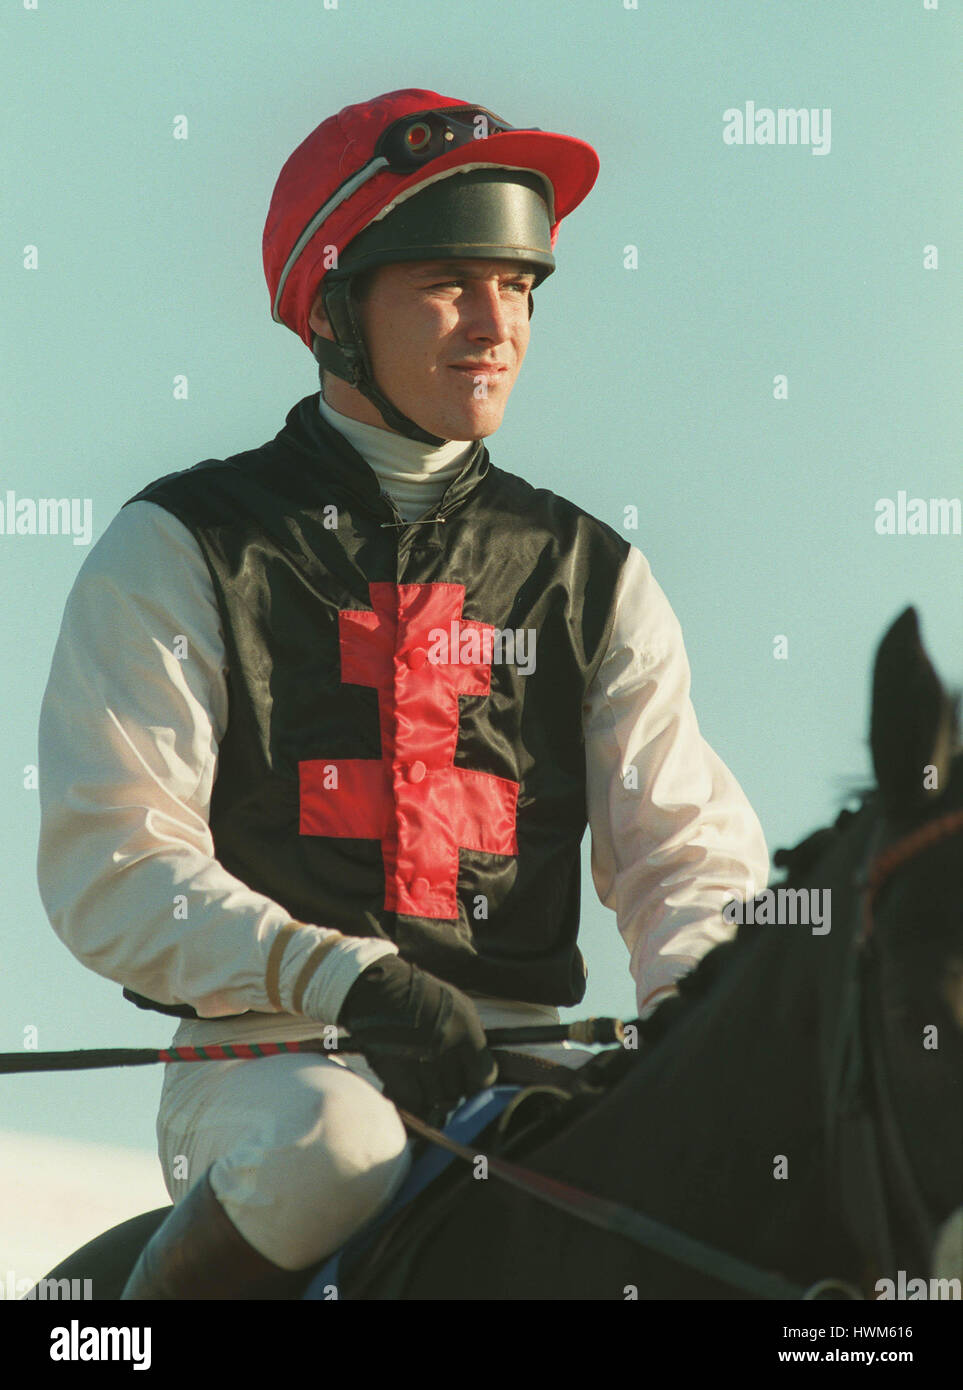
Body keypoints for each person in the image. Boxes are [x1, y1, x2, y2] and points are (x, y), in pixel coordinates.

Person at [36, 88, 769, 1300]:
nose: (496, 325)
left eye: (519, 288)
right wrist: (350, 978)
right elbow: (110, 864)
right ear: (333, 311)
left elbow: (687, 858)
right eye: (448, 284)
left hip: (526, 1057)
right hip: (271, 1063)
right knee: (337, 1149)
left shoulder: (596, 573)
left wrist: (698, 1029)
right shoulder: (180, 543)